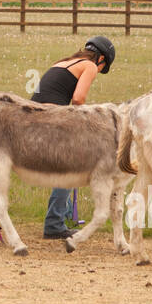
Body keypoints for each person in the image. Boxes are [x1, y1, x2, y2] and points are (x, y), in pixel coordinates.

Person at [33, 35, 116, 239]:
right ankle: (54, 223)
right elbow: (79, 99)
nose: (98, 70)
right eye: (101, 67)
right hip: (52, 118)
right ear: (101, 59)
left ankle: (63, 215)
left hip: (33, 117)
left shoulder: (63, 61)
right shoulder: (88, 66)